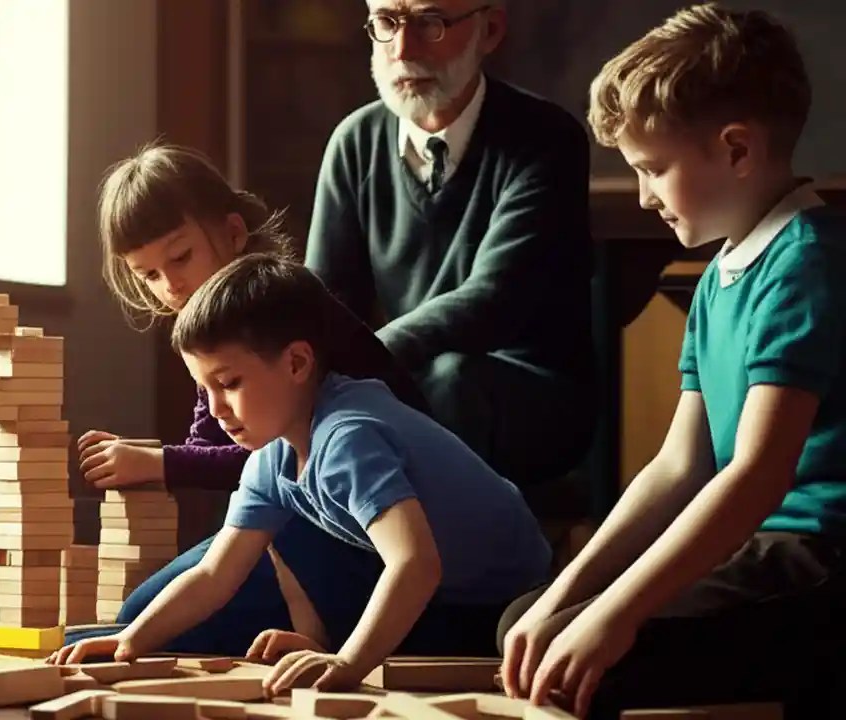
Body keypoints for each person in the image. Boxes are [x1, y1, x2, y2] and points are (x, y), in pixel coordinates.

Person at [497, 6, 846, 719]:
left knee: (596, 661)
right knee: (530, 625)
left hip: (820, 559)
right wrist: (572, 594)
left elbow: (754, 476)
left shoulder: (806, 261)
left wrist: (616, 614)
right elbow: (680, 467)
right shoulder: (721, 273)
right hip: (753, 544)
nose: (645, 195)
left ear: (738, 150)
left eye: (653, 169)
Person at [55, 255, 550, 693]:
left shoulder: (347, 435)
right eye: (204, 390)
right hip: (421, 578)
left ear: (296, 363)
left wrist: (348, 662)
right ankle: (323, 635)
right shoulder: (270, 457)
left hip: (493, 599)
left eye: (229, 383)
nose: (217, 409)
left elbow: (416, 563)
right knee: (123, 624)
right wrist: (130, 641)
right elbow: (214, 573)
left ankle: (336, 639)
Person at [74, 144, 430, 655]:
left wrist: (157, 463)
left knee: (158, 624)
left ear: (234, 234)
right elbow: (214, 443)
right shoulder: (211, 321)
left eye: (181, 257)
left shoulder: (268, 312)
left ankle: (331, 626)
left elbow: (256, 458)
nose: (171, 285)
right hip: (304, 517)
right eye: (148, 275)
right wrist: (159, 458)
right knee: (139, 617)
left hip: (365, 528)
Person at [305, 0, 595, 485]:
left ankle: (433, 556)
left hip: (529, 396)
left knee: (451, 378)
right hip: (406, 377)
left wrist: (366, 361)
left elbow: (492, 301)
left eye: (430, 23)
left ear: (491, 29)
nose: (403, 48)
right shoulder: (355, 141)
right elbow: (324, 299)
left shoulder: (546, 138)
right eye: (387, 22)